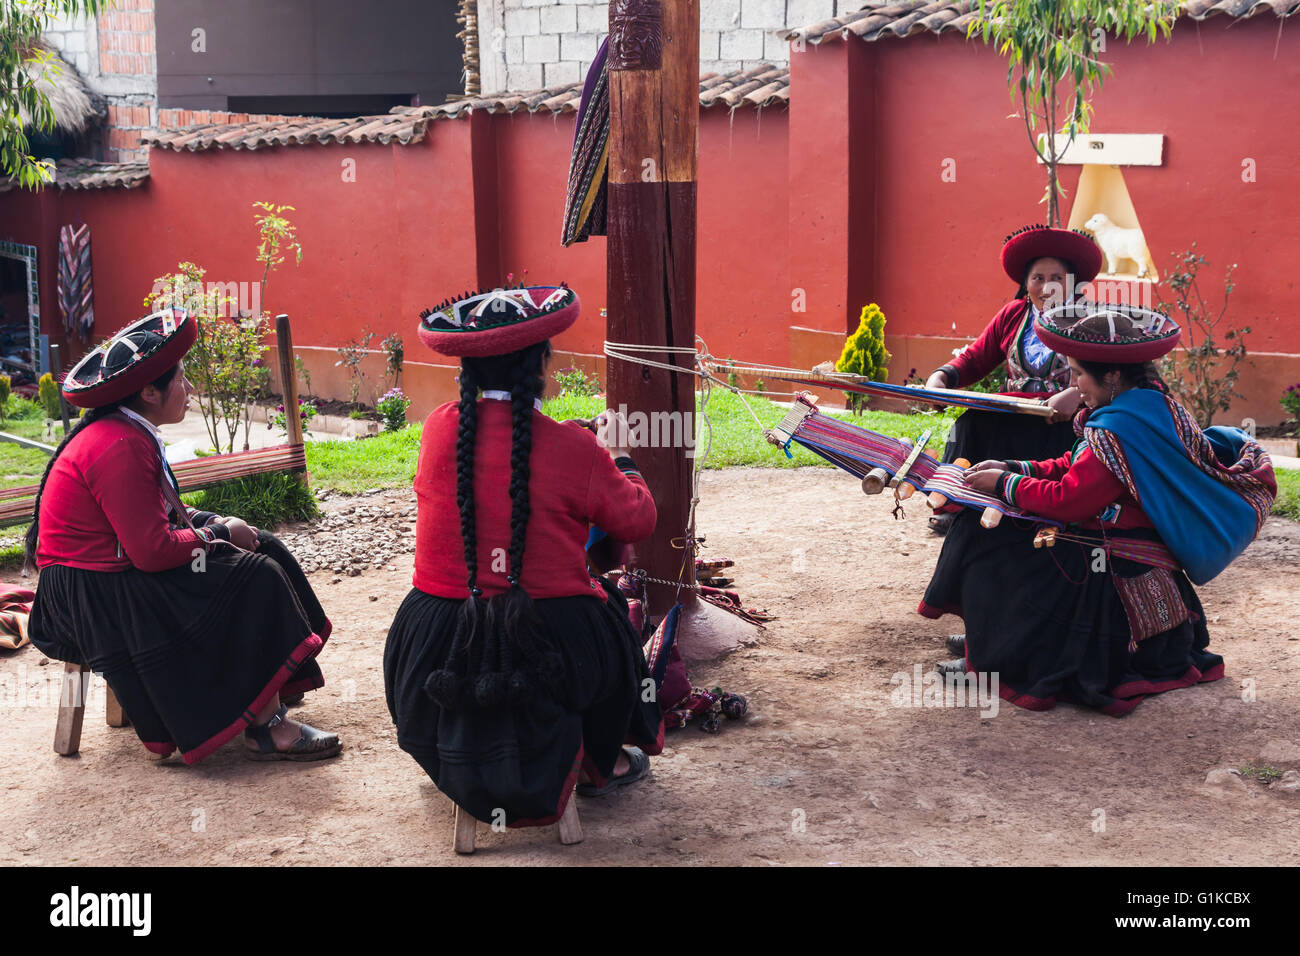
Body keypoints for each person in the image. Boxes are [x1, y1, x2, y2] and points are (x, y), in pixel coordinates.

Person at [384, 284, 664, 827]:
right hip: (549, 640)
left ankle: (456, 754)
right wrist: (620, 457)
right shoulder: (573, 448)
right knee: (612, 621)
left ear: (465, 370)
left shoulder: (438, 431)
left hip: (435, 642)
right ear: (540, 362)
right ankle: (592, 767)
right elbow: (638, 519)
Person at [919, 306, 1276, 715]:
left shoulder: (1119, 429)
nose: (1073, 384)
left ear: (1111, 376)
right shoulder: (1149, 406)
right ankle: (993, 638)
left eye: (1078, 374)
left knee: (987, 539)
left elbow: (1072, 499)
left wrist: (1004, 486)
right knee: (996, 530)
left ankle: (996, 654)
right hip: (1127, 545)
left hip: (1117, 562)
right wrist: (1015, 467)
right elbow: (1075, 464)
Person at [28, 308, 341, 762]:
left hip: (114, 571)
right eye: (181, 380)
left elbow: (153, 514)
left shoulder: (128, 430)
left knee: (263, 543)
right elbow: (152, 551)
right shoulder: (118, 445)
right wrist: (215, 534)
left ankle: (263, 693)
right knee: (254, 575)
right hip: (96, 593)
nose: (190, 389)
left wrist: (221, 527)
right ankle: (266, 727)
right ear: (149, 392)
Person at [924, 225, 1104, 534]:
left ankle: (1043, 509)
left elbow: (1105, 373)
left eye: (1057, 279)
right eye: (1038, 278)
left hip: (1064, 420)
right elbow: (975, 358)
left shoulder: (1091, 319)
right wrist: (940, 378)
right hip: (1017, 412)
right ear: (1026, 283)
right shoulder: (1012, 315)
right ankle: (956, 502)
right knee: (970, 424)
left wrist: (1075, 393)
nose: (1047, 287)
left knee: (1070, 440)